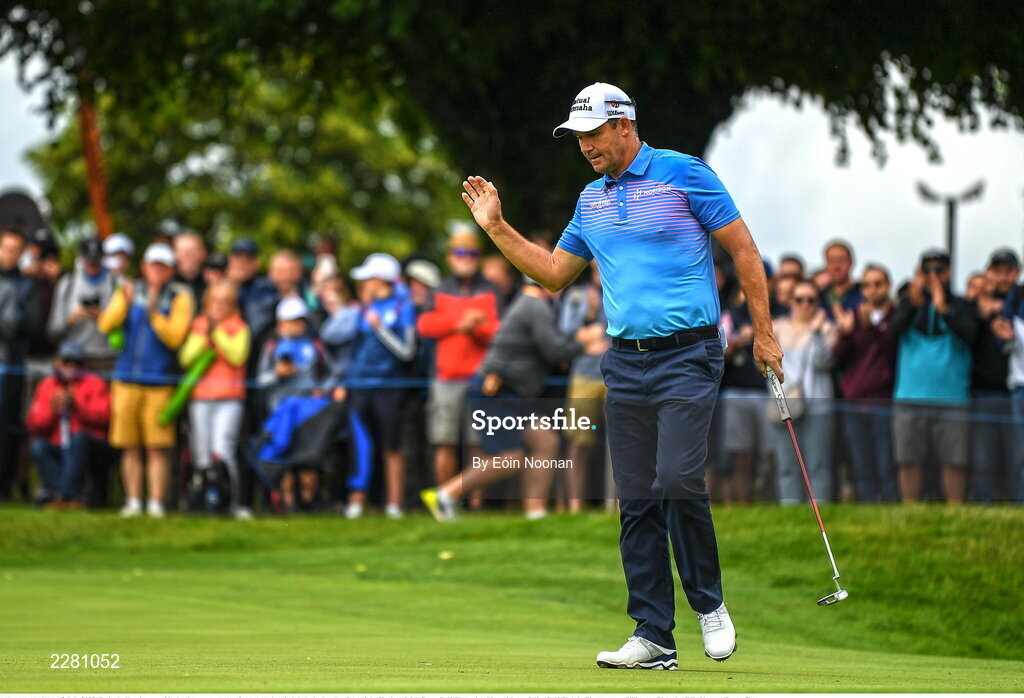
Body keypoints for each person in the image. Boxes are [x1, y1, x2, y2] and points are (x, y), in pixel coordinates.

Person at [453, 82, 783, 670]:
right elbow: (554, 274)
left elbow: (744, 250)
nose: (584, 145)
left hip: (689, 354)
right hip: (625, 361)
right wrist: (497, 228)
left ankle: (708, 603)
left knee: (678, 479)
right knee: (635, 499)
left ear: (624, 125)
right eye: (578, 137)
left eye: (593, 133)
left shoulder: (685, 174)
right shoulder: (591, 201)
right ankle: (654, 633)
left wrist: (764, 331)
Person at [421, 277, 593, 520]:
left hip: (512, 393)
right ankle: (445, 494)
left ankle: (535, 514)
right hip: (496, 392)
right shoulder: (535, 305)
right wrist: (583, 343)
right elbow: (554, 352)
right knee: (511, 458)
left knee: (546, 441)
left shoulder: (530, 303)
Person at [98, 243, 194, 517]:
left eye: (163, 266)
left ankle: (155, 503)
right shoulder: (128, 290)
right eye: (153, 265)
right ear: (144, 267)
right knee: (129, 445)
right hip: (125, 379)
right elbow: (105, 324)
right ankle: (133, 501)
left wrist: (154, 313)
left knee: (156, 447)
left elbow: (176, 337)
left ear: (171, 270)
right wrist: (124, 303)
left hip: (159, 381)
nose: (157, 271)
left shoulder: (179, 298)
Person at [416, 231, 502, 488]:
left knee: (479, 443)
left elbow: (500, 332)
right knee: (445, 442)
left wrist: (475, 327)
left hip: (480, 378)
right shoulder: (439, 289)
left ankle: (475, 506)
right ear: (450, 257)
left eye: (472, 253)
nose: (466, 258)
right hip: (445, 378)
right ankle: (445, 501)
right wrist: (459, 322)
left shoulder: (492, 289)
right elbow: (424, 326)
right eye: (460, 253)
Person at [891, 249, 977, 502]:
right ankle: (910, 511)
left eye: (939, 270)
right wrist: (911, 304)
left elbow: (971, 335)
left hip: (952, 397)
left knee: (954, 461)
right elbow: (891, 335)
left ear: (949, 273)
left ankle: (955, 512)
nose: (933, 276)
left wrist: (943, 309)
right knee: (908, 459)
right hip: (909, 396)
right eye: (927, 270)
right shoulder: (908, 305)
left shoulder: (961, 306)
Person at [345, 253, 417, 519]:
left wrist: (381, 329)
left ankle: (394, 505)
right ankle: (356, 503)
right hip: (359, 385)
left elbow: (408, 352)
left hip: (389, 386)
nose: (363, 283)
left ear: (381, 279)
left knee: (391, 446)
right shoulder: (364, 307)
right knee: (360, 444)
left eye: (368, 278)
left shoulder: (402, 307)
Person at [179, 281, 251, 517]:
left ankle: (231, 502)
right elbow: (186, 357)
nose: (219, 306)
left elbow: (237, 355)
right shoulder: (198, 325)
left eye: (224, 302)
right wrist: (203, 336)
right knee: (201, 452)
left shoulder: (239, 327)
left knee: (223, 450)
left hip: (229, 399)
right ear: (207, 303)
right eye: (215, 301)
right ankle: (204, 501)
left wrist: (216, 333)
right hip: (200, 398)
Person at [832, 265, 898, 502]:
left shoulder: (895, 316)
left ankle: (891, 514)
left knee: (885, 464)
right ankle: (868, 514)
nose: (872, 290)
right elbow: (838, 360)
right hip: (854, 402)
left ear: (888, 286)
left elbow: (892, 353)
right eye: (867, 285)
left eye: (878, 284)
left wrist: (871, 328)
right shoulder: (854, 318)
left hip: (883, 401)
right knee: (862, 466)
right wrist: (847, 334)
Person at [771, 280, 839, 503]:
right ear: (791, 301)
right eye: (799, 299)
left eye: (810, 300)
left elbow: (823, 362)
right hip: (784, 405)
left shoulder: (828, 328)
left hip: (818, 406)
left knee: (818, 466)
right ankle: (791, 518)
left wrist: (817, 333)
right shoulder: (777, 327)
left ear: (817, 303)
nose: (805, 305)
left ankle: (821, 517)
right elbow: (763, 365)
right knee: (787, 466)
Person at [25, 341, 110, 510]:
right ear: (57, 363)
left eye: (76, 363)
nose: (71, 367)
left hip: (88, 443)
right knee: (37, 447)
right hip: (57, 441)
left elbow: (104, 418)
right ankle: (68, 496)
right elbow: (33, 424)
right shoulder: (47, 385)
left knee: (79, 440)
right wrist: (52, 409)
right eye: (66, 362)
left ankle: (62, 496)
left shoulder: (95, 383)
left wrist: (78, 405)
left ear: (84, 365)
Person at [557, 261, 609, 511]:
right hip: (584, 377)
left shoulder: (623, 288)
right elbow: (565, 332)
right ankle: (575, 508)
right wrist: (589, 318)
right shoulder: (577, 295)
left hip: (616, 376)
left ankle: (622, 506)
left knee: (624, 443)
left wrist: (593, 335)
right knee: (579, 443)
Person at [969, 249, 1021, 502]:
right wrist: (981, 314)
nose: (1003, 277)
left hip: (1013, 390)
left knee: (1017, 457)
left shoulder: (1020, 303)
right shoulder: (974, 305)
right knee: (983, 459)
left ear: (1017, 273)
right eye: (997, 271)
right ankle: (985, 508)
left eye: (1008, 272)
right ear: (989, 273)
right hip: (982, 390)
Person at [0, 228, 42, 499]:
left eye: (15, 250)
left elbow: (31, 324)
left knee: (8, 425)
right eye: (5, 248)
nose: (9, 254)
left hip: (11, 364)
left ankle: (4, 484)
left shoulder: (28, 285)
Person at [47, 236, 119, 371]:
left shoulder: (116, 283)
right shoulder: (67, 283)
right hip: (72, 359)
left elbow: (125, 326)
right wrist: (71, 319)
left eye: (96, 262)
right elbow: (53, 330)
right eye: (89, 261)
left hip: (106, 358)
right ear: (80, 256)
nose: (92, 266)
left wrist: (104, 318)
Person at [819, 240, 862, 317]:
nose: (836, 266)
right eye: (831, 261)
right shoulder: (818, 297)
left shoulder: (863, 294)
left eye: (841, 260)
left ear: (851, 263)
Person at [173, 231, 209, 303]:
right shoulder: (164, 283)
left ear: (203, 254)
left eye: (193, 250)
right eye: (182, 251)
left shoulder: (212, 284)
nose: (187, 255)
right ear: (174, 254)